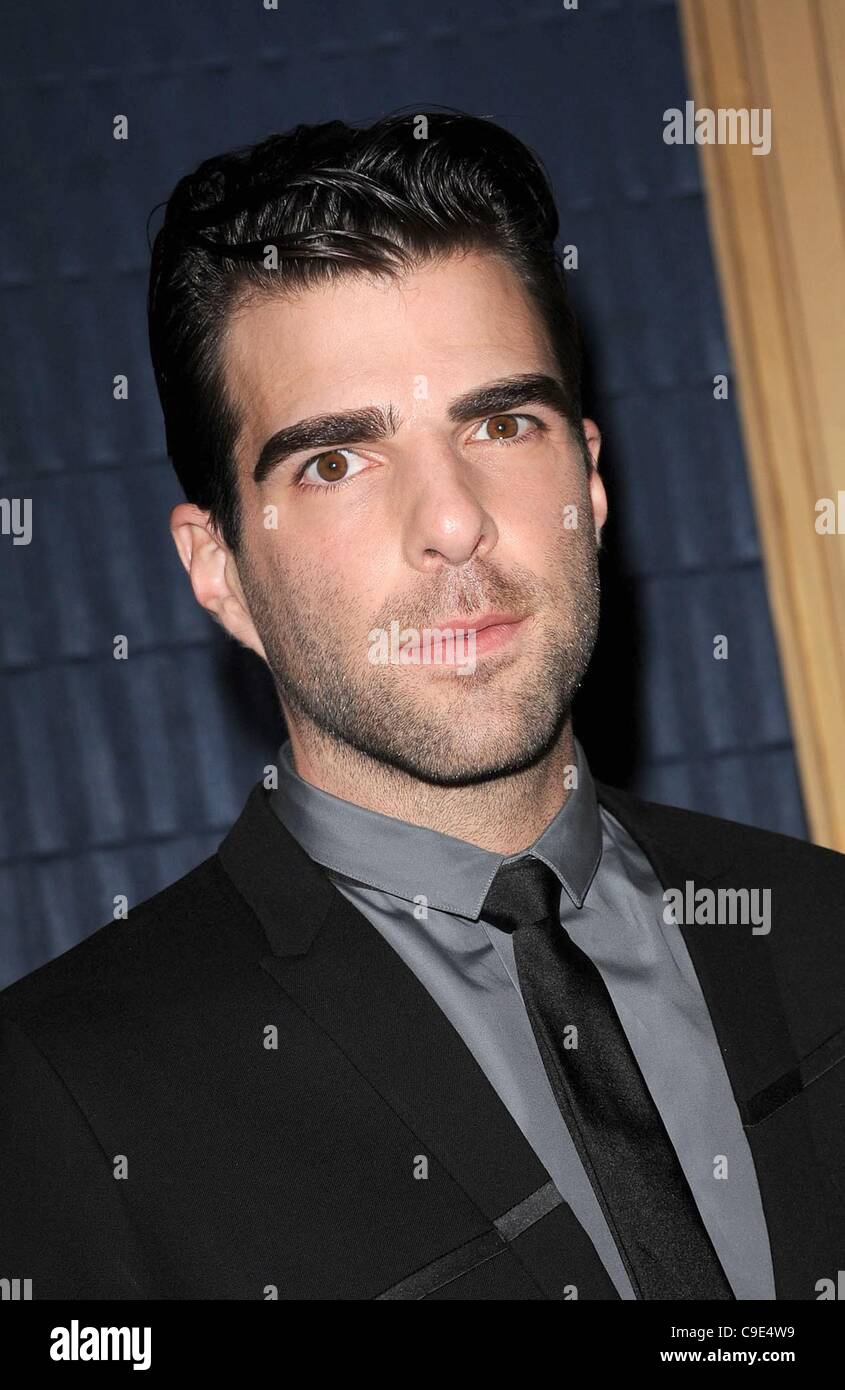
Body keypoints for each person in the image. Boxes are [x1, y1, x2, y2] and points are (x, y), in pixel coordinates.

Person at [1, 111, 842, 1301]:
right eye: (336, 461)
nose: (451, 519)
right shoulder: (61, 1105)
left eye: (501, 423)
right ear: (218, 569)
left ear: (589, 483)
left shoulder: (821, 931)